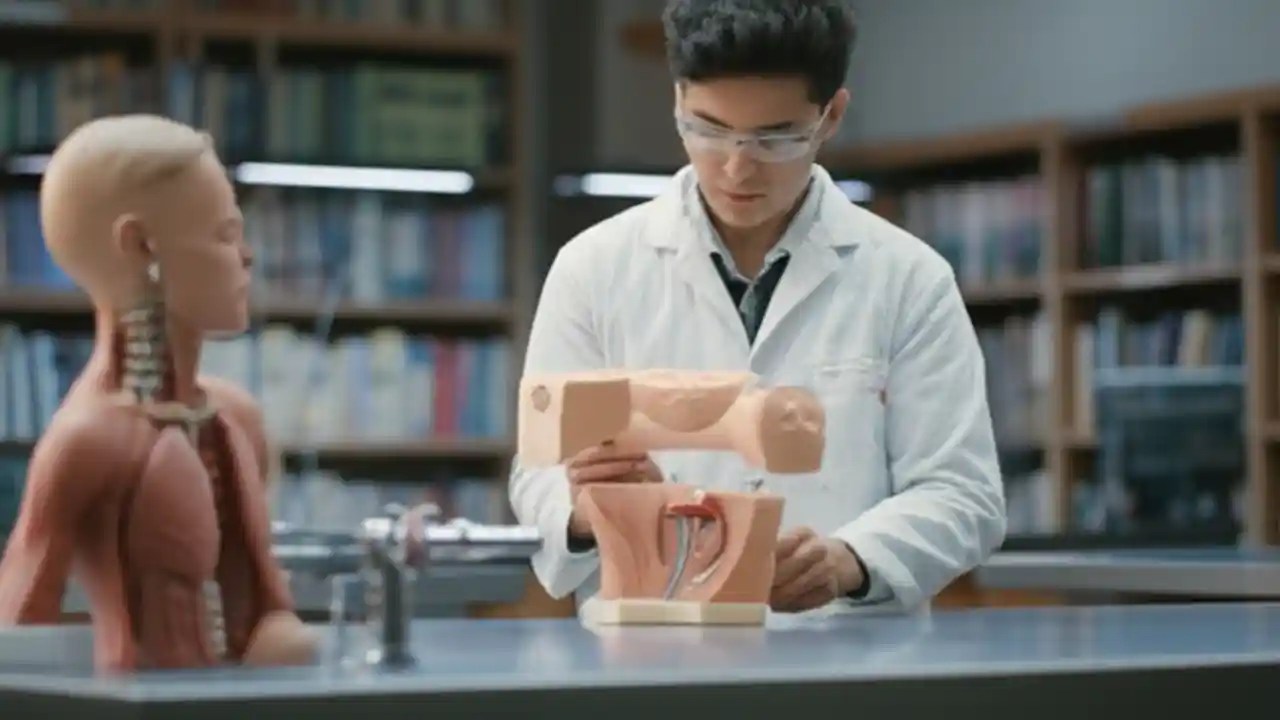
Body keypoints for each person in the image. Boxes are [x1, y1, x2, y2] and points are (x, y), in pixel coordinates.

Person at [509, 0, 1006, 614]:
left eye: (775, 138)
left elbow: (963, 494)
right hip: (649, 653)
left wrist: (850, 560)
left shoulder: (909, 278)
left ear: (831, 118)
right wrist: (586, 511)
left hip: (847, 663)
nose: (737, 167)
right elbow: (537, 473)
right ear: (677, 103)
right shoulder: (594, 267)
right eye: (709, 129)